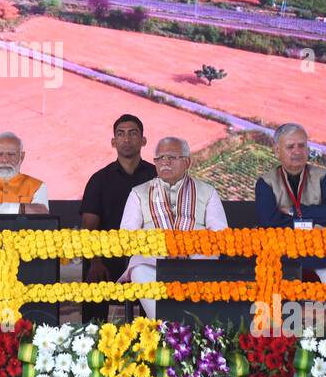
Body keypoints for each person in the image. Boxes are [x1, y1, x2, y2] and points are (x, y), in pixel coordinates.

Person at [254, 123, 326, 327]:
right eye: (291, 147)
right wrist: (314, 221)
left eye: (302, 146)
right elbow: (270, 222)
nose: (297, 152)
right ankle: (273, 343)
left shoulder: (324, 177)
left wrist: (293, 213)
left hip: (323, 252)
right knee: (266, 280)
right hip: (282, 255)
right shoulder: (266, 182)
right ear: (277, 150)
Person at [120, 136, 227, 319]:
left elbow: (221, 233)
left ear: (187, 162)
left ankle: (195, 325)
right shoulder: (139, 193)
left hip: (196, 258)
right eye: (160, 158)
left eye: (171, 157)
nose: (165, 163)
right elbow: (127, 235)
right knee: (138, 269)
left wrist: (190, 247)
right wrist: (163, 249)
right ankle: (166, 327)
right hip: (154, 260)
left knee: (210, 259)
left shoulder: (207, 191)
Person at [79, 114, 155, 324]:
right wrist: (95, 261)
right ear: (114, 142)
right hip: (106, 259)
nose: (127, 139)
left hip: (147, 256)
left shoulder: (156, 176)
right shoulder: (99, 179)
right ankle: (93, 343)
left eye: (133, 133)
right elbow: (88, 227)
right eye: (120, 134)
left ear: (143, 140)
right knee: (94, 281)